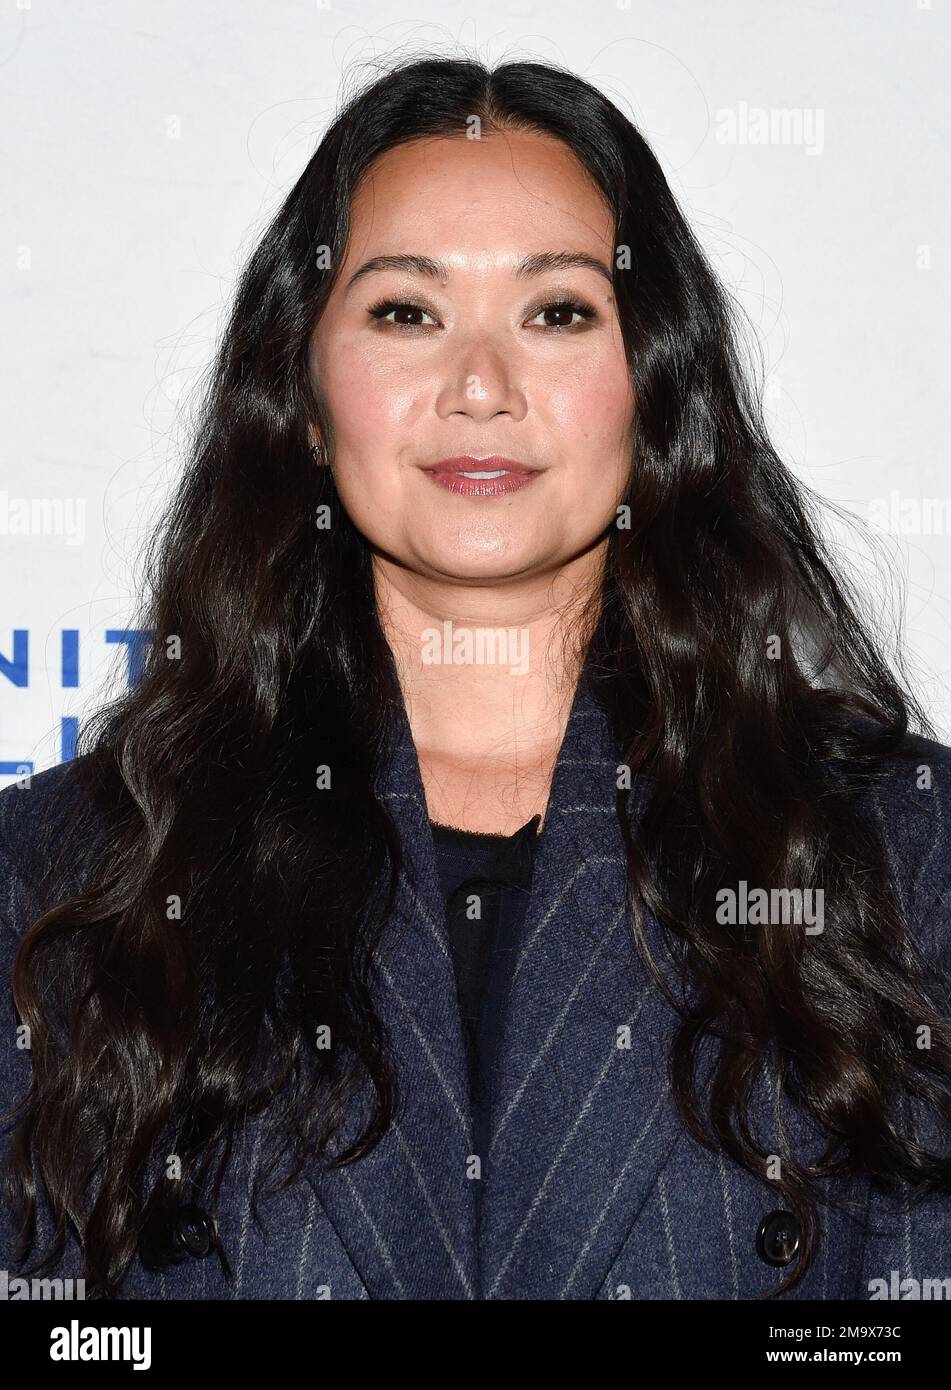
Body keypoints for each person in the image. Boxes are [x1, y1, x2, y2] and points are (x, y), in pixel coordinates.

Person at [1, 55, 950, 1303]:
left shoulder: (899, 851)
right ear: (302, 391)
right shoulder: (69, 877)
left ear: (655, 386)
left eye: (558, 311)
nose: (482, 388)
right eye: (406, 311)